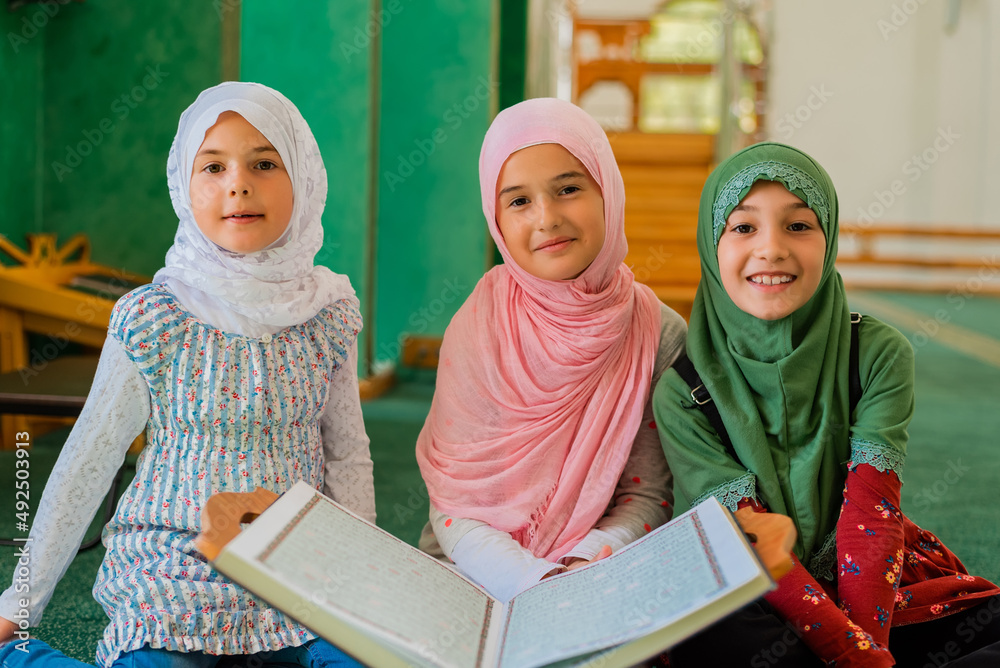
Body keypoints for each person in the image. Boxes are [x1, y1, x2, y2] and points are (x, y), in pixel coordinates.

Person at [0, 82, 372, 667]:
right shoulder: (153, 319)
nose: (238, 183)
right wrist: (19, 601)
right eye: (213, 165)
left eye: (265, 162)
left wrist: (363, 592)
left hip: (295, 569)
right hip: (176, 569)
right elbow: (88, 460)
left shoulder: (327, 313)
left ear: (304, 177)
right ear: (183, 185)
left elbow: (347, 454)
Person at [654, 141, 1000, 667]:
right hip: (759, 593)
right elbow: (753, 544)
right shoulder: (684, 389)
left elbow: (871, 516)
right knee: (713, 629)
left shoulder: (876, 353)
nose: (771, 249)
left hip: (870, 590)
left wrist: (866, 650)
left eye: (798, 226)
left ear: (829, 238)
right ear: (711, 245)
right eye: (743, 227)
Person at [415, 98, 687, 602]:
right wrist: (527, 578)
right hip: (470, 567)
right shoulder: (479, 328)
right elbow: (455, 502)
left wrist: (578, 568)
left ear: (607, 190)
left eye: (568, 189)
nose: (547, 217)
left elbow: (646, 493)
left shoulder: (657, 333)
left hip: (595, 571)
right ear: (494, 218)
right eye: (519, 201)